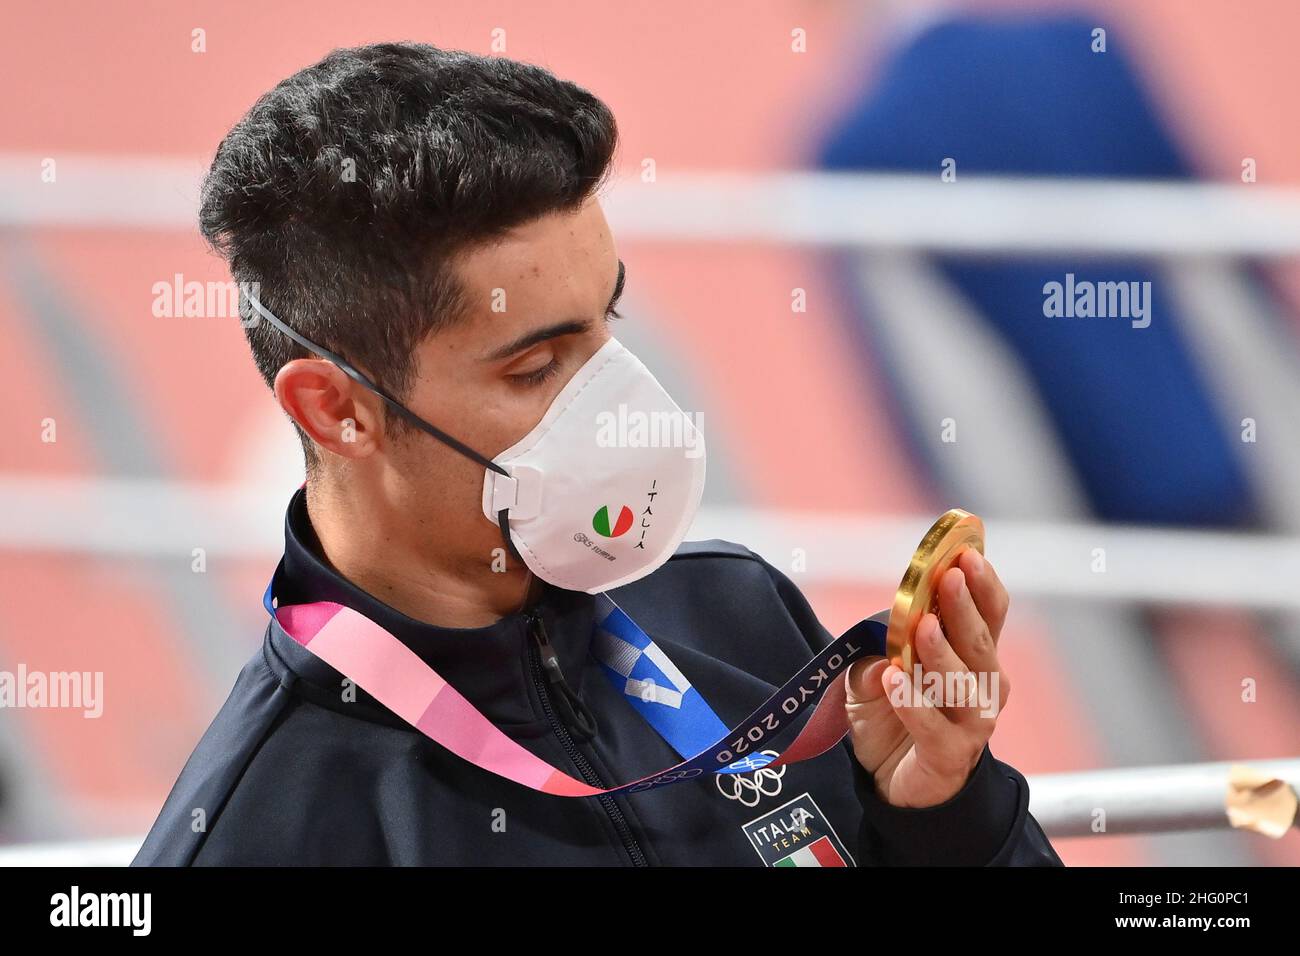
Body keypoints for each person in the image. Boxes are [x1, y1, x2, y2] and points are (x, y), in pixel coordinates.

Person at [133, 42, 1061, 867]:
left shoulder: (738, 614)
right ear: (337, 410)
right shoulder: (262, 830)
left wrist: (945, 820)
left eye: (606, 324)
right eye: (536, 366)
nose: (617, 409)